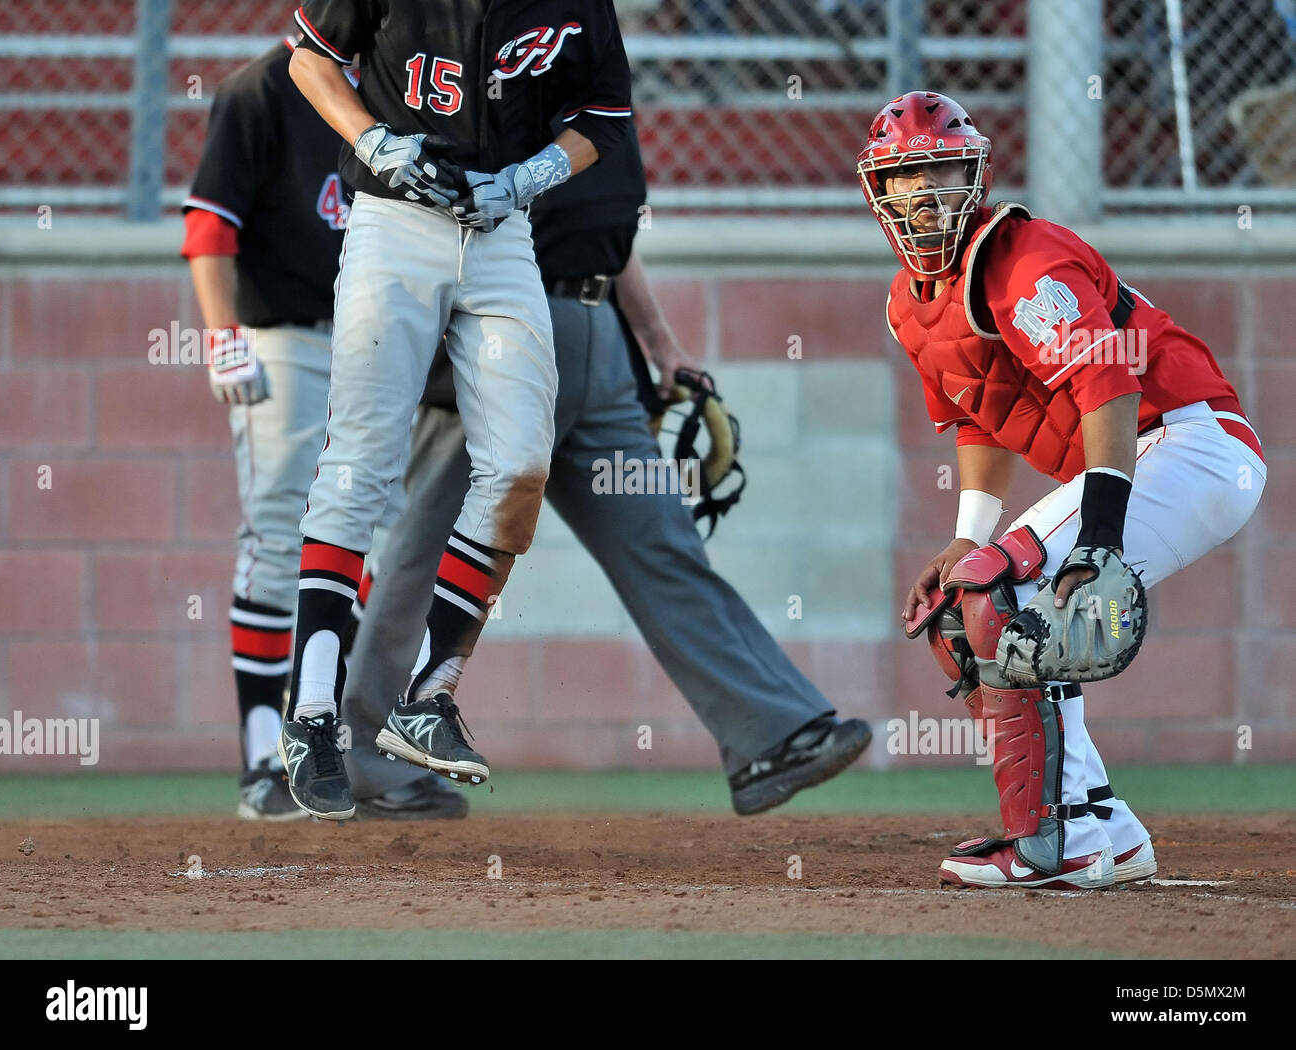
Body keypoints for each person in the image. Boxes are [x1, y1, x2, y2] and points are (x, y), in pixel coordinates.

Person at [342, 121, 872, 816]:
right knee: (426, 550)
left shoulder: (596, 98)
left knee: (662, 544)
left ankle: (770, 734)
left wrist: (661, 346)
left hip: (597, 340)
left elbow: (610, 242)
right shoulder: (499, 78)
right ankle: (368, 757)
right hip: (503, 333)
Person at [862, 91, 1265, 889]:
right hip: (1152, 452)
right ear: (880, 193)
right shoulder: (910, 306)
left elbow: (1109, 384)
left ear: (973, 175)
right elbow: (983, 416)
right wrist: (968, 538)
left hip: (1191, 442)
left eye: (941, 170)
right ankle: (1105, 830)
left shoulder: (1022, 257)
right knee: (963, 603)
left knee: (999, 593)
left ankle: (1057, 843)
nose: (926, 192)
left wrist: (1099, 538)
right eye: (907, 177)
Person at [280, 0, 633, 819]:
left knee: (517, 465)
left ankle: (426, 699)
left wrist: (530, 175)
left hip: (501, 229)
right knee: (361, 465)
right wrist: (371, 141)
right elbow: (309, 59)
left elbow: (604, 114)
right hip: (394, 223)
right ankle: (312, 716)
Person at [182, 34, 461, 821]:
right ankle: (263, 759)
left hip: (376, 340)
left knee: (379, 534)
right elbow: (209, 224)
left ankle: (331, 744)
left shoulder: (393, 81)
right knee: (279, 532)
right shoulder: (259, 88)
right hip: (287, 336)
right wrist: (220, 333)